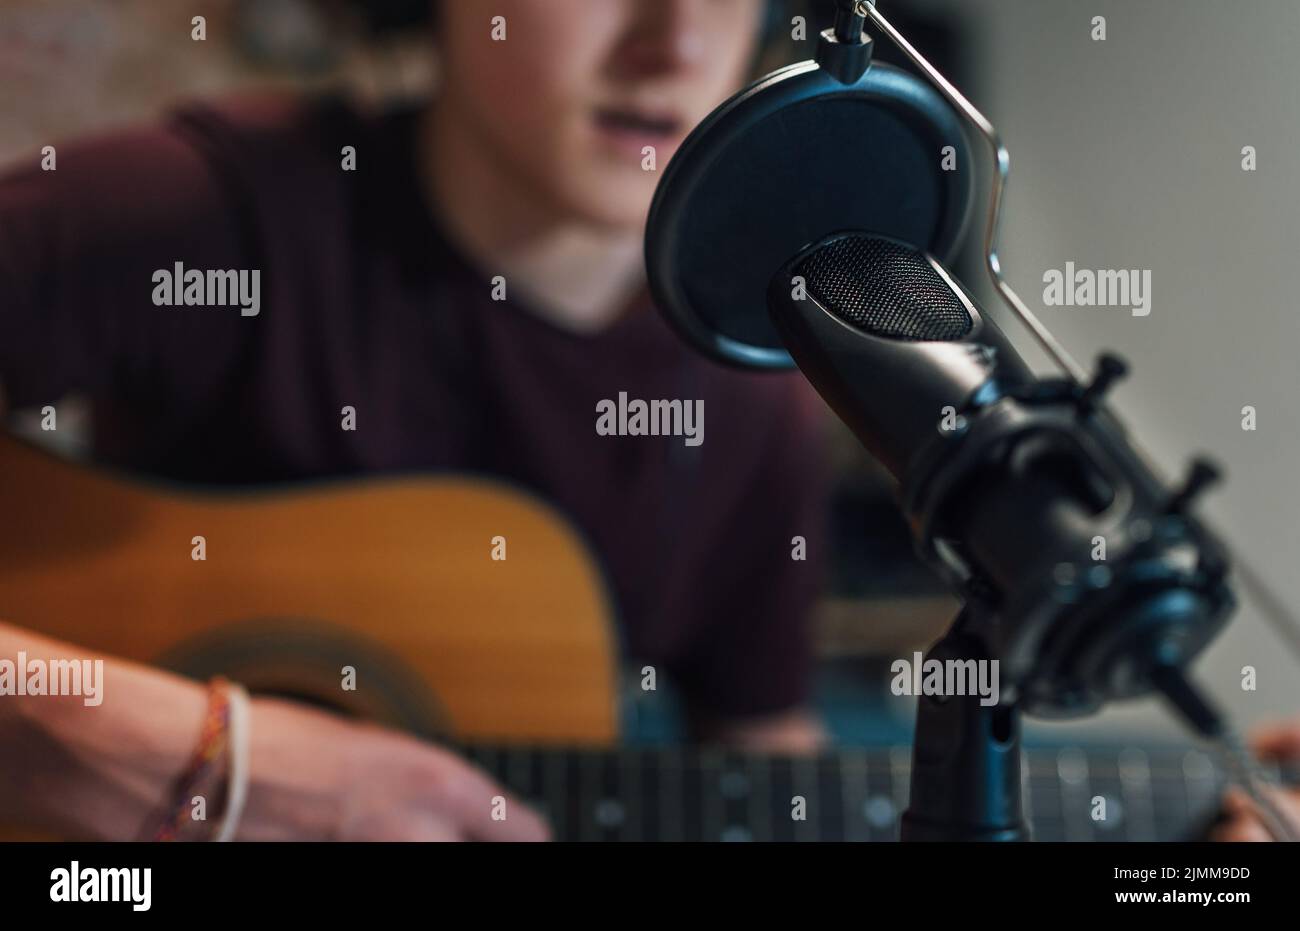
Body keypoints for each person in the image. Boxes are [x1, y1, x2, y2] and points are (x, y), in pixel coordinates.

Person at [0, 0, 828, 841]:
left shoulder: (752, 392)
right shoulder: (195, 213)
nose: (676, 44)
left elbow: (764, 763)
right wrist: (165, 755)